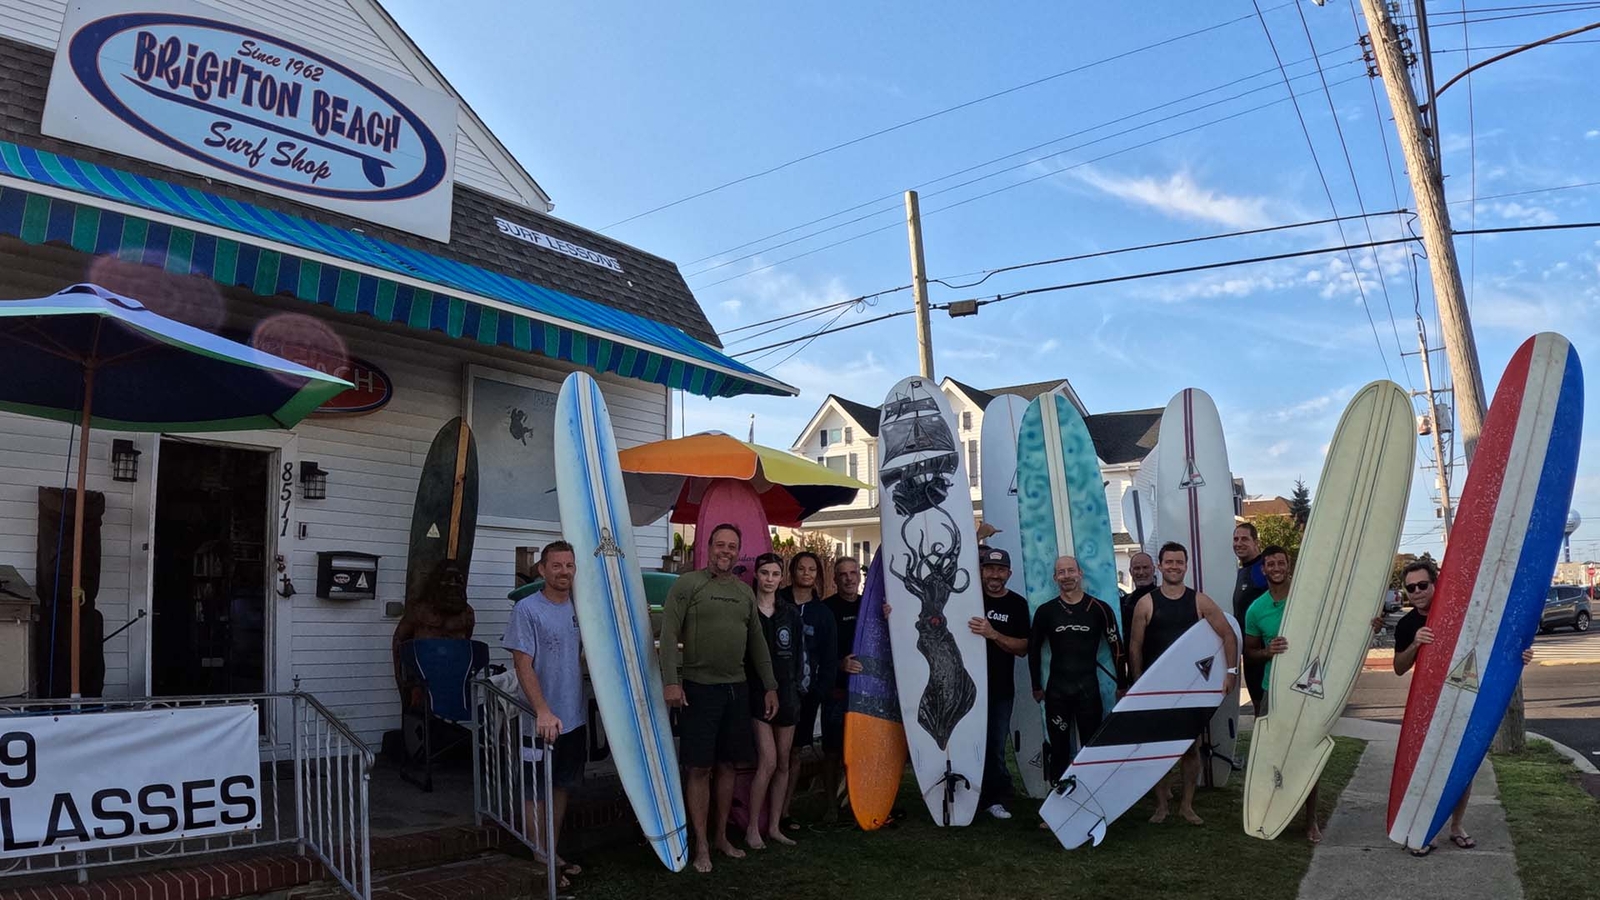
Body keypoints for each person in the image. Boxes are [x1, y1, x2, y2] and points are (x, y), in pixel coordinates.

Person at [1392, 559, 1533, 857]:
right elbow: (1399, 668)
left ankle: (1456, 826)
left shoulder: (1460, 613)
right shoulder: (1407, 625)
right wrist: (1416, 644)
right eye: (1410, 588)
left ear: (1435, 583)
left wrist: (1519, 654)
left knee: (1462, 767)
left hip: (1464, 696)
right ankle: (1423, 827)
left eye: (1422, 585)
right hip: (1428, 707)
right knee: (1426, 765)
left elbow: (1492, 638)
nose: (1416, 592)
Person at [659, 524, 779, 873]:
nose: (725, 551)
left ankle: (721, 837)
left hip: (736, 689)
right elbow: (668, 635)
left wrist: (770, 685)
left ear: (737, 552)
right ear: (707, 547)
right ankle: (700, 845)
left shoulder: (744, 593)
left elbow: (757, 642)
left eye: (732, 546)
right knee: (699, 767)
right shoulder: (688, 585)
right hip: (698, 689)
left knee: (728, 765)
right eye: (720, 544)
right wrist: (671, 681)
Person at [1128, 541, 1239, 826]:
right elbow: (1135, 646)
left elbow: (1228, 635)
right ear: (1159, 566)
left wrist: (1230, 672)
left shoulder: (1199, 601)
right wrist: (1138, 685)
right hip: (1157, 690)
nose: (1174, 567)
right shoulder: (1146, 602)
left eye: (1179, 562)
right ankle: (1162, 805)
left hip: (1190, 689)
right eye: (1169, 562)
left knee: (1190, 748)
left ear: (1186, 566)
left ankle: (1187, 806)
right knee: (1158, 749)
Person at [502, 542, 584, 887]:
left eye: (569, 566)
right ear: (542, 569)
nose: (563, 572)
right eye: (556, 566)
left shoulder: (581, 607)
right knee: (535, 788)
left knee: (562, 785)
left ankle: (551, 851)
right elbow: (523, 663)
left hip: (574, 716)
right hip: (539, 720)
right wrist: (542, 710)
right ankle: (541, 858)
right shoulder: (527, 609)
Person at [1242, 544, 1322, 843]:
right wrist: (1267, 650)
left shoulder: (1307, 598)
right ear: (1263, 570)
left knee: (1307, 753)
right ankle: (1267, 813)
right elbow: (1248, 653)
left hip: (1307, 689)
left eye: (1280, 563)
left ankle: (1310, 821)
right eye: (1270, 564)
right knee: (1268, 755)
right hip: (1271, 690)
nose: (1275, 568)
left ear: (1289, 566)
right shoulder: (1256, 609)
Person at [1029, 556, 1121, 786]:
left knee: (1091, 746)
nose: (1067, 576)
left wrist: (1123, 683)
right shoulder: (1046, 611)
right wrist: (1036, 685)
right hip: (1057, 692)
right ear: (1055, 578)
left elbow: (1117, 647)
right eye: (1061, 572)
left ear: (1080, 573)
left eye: (1071, 571)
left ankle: (1092, 798)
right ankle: (1058, 806)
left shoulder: (1100, 608)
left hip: (1088, 691)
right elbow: (1033, 650)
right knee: (1059, 748)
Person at [967, 547, 1030, 819]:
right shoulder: (967, 598)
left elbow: (1023, 647)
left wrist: (993, 634)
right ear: (981, 571)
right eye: (989, 569)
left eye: (1000, 570)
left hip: (1000, 689)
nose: (995, 575)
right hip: (966, 687)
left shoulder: (1016, 604)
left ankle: (995, 799)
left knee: (994, 744)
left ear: (1009, 573)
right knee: (967, 742)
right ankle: (967, 796)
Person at [746, 553, 801, 849]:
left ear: (782, 578)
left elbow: (798, 655)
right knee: (766, 762)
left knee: (783, 763)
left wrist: (794, 690)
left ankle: (775, 826)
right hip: (757, 695)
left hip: (788, 694)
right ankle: (752, 828)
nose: (769, 579)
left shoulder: (789, 613)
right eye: (764, 573)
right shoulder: (747, 610)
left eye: (774, 574)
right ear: (756, 575)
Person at [779, 551, 838, 826]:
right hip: (775, 690)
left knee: (793, 752)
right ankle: (764, 807)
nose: (806, 573)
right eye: (801, 568)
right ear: (792, 572)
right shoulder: (777, 602)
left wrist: (820, 690)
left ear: (817, 575)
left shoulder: (822, 613)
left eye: (811, 569)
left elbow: (829, 656)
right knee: (770, 752)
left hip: (806, 694)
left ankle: (784, 811)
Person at [822, 556, 864, 821]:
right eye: (842, 574)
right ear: (835, 579)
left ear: (859, 577)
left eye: (852, 573)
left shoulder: (869, 607)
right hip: (836, 693)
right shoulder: (826, 610)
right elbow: (815, 655)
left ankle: (859, 801)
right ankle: (830, 805)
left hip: (866, 694)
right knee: (832, 751)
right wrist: (839, 664)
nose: (848, 578)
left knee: (861, 750)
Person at [1232, 523, 1269, 714]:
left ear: (1256, 542)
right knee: (1258, 707)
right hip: (1250, 654)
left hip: (1266, 654)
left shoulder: (1263, 569)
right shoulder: (1242, 572)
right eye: (1236, 539)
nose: (1239, 543)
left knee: (1268, 708)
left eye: (1244, 539)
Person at [1120, 551, 1158, 627]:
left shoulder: (1164, 598)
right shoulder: (1123, 603)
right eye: (1137, 568)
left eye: (1145, 567)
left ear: (1153, 570)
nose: (1141, 572)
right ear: (1130, 571)